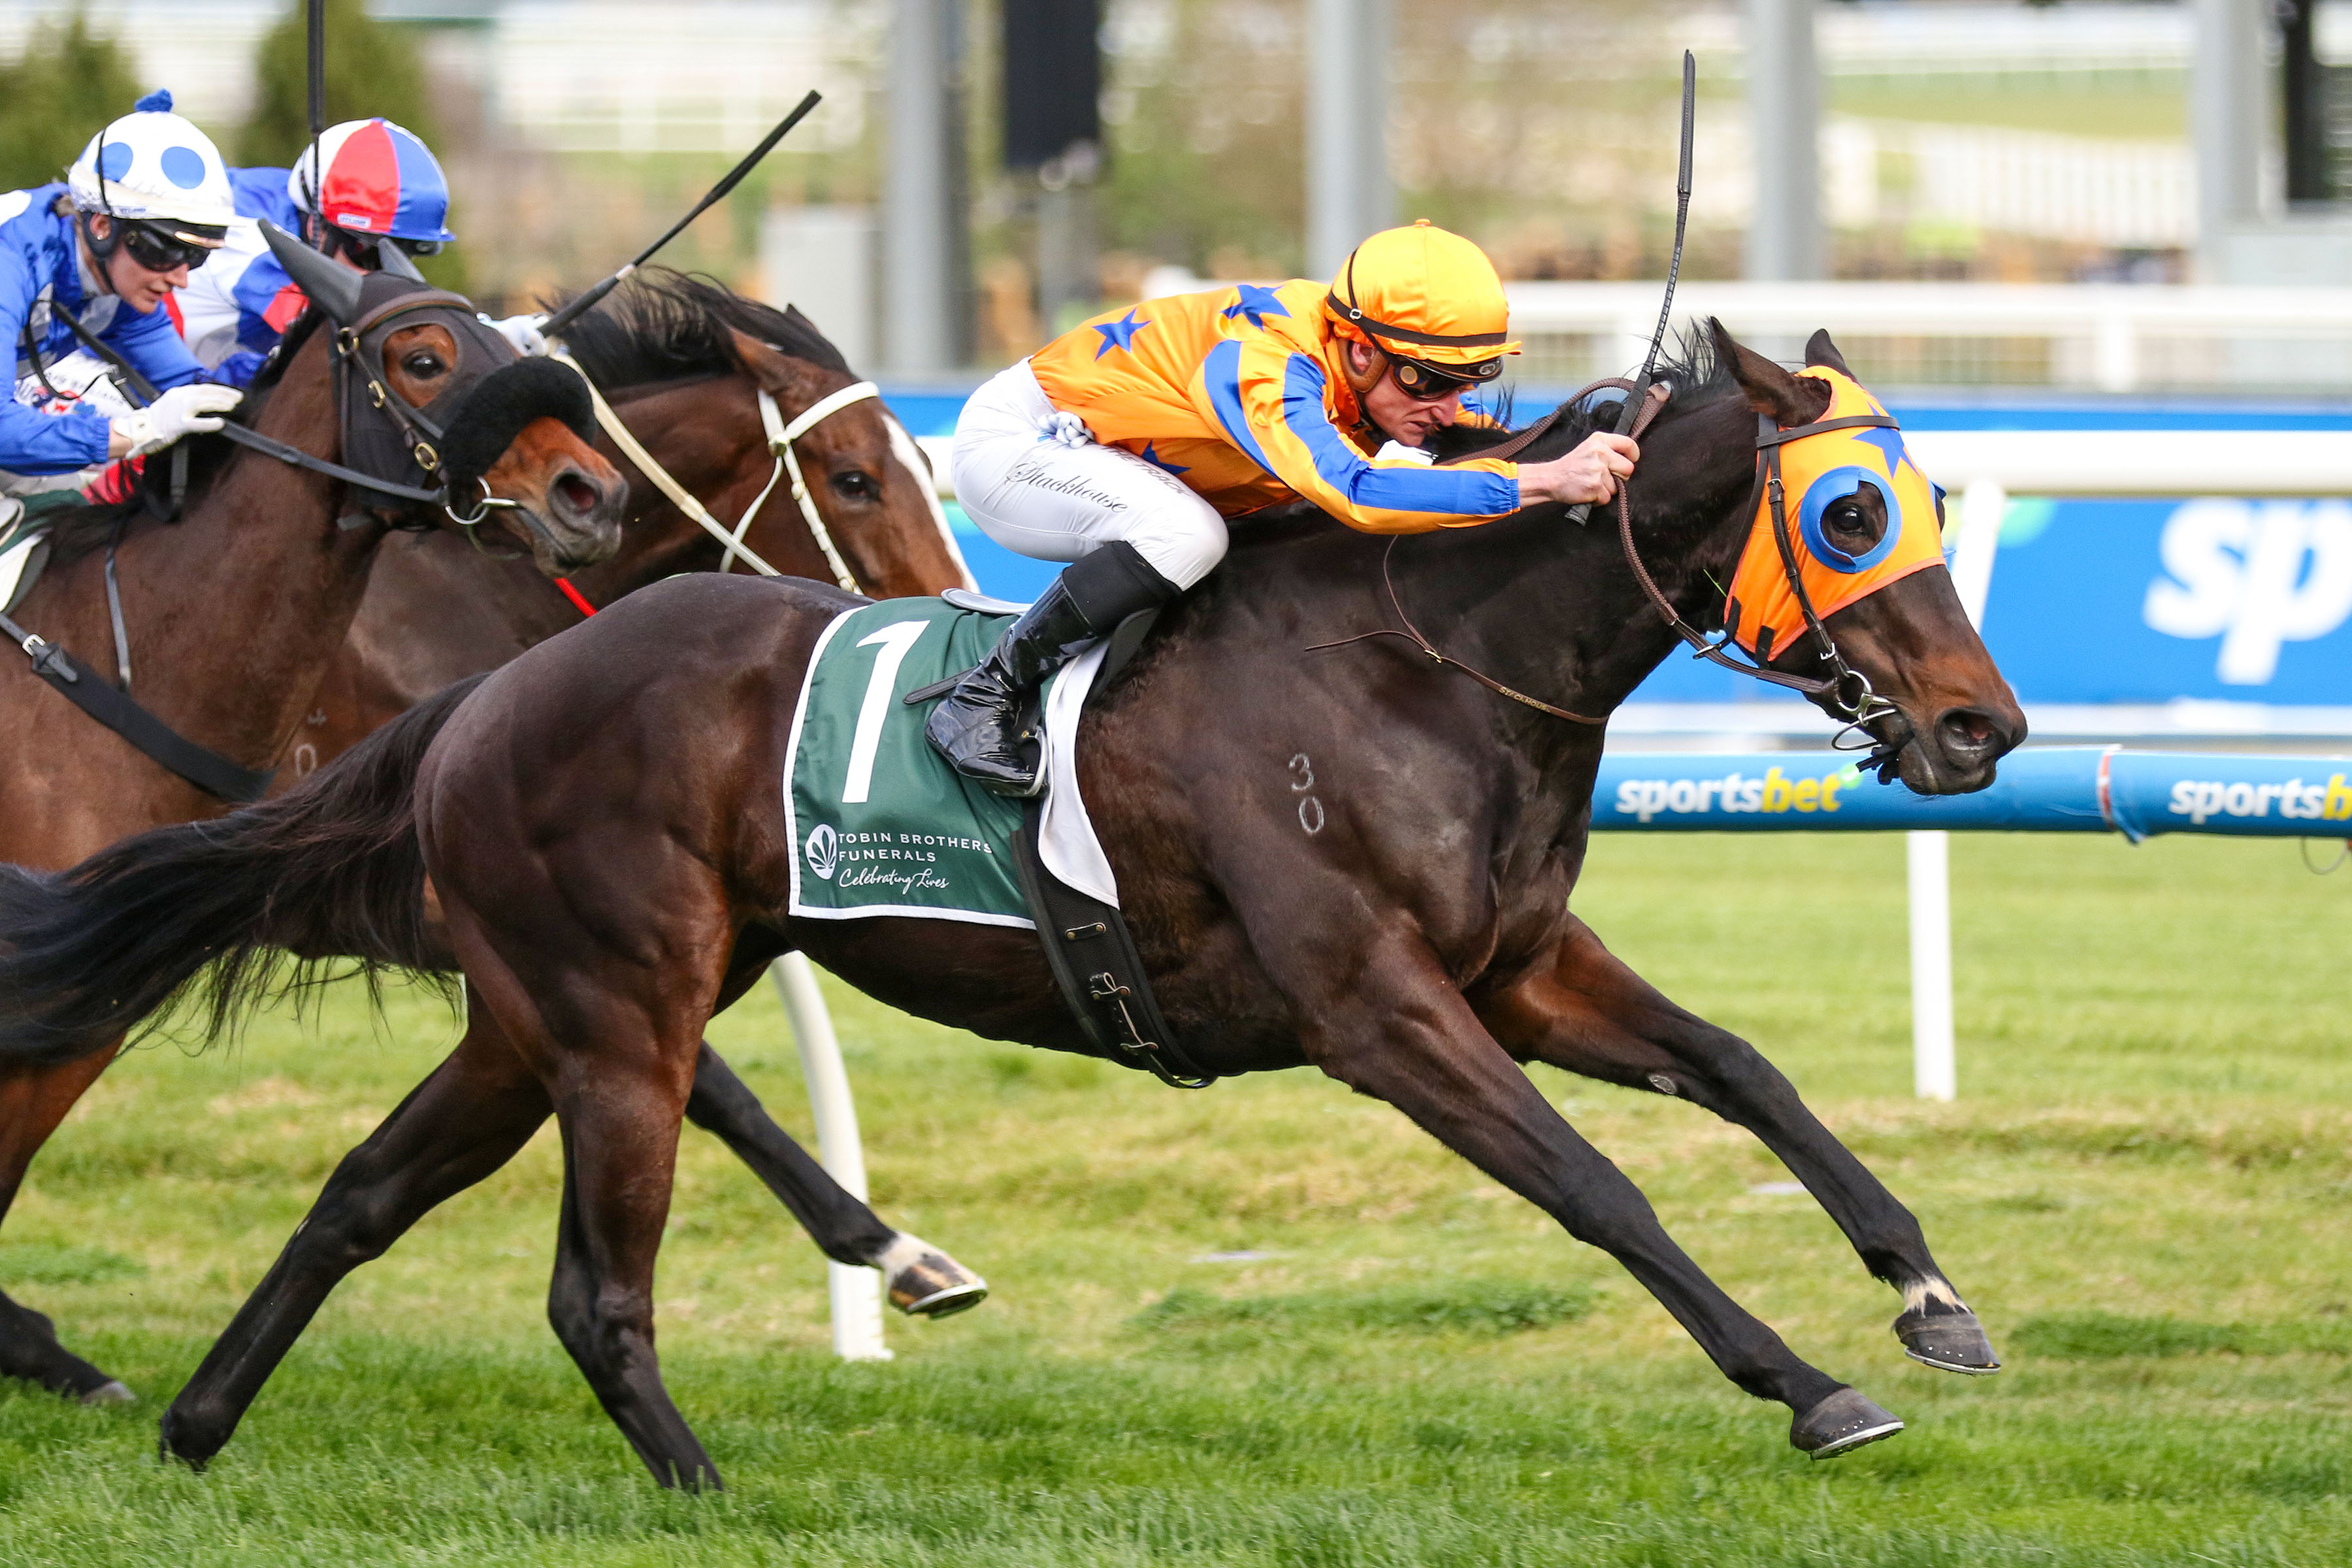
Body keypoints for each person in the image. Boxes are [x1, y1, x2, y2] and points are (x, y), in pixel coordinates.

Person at [927, 220, 1641, 794]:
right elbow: (1358, 492)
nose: (1449, 406)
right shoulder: (1266, 366)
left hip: (1124, 457)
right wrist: (1543, 483)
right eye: (1429, 382)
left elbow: (1485, 440)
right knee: (1188, 535)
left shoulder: (1373, 362)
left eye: (1468, 380)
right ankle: (984, 697)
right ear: (1358, 350)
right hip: (1022, 447)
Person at [1, 91, 242, 494]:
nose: (181, 278)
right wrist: (139, 432)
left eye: (196, 256)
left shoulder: (120, 278)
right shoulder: (11, 263)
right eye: (166, 251)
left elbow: (188, 388)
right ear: (101, 226)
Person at [174, 117, 511, 387]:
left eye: (405, 255)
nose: (381, 274)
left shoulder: (309, 200)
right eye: (367, 251)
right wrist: (492, 341)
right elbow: (373, 335)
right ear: (316, 228)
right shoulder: (253, 246)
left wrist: (495, 333)